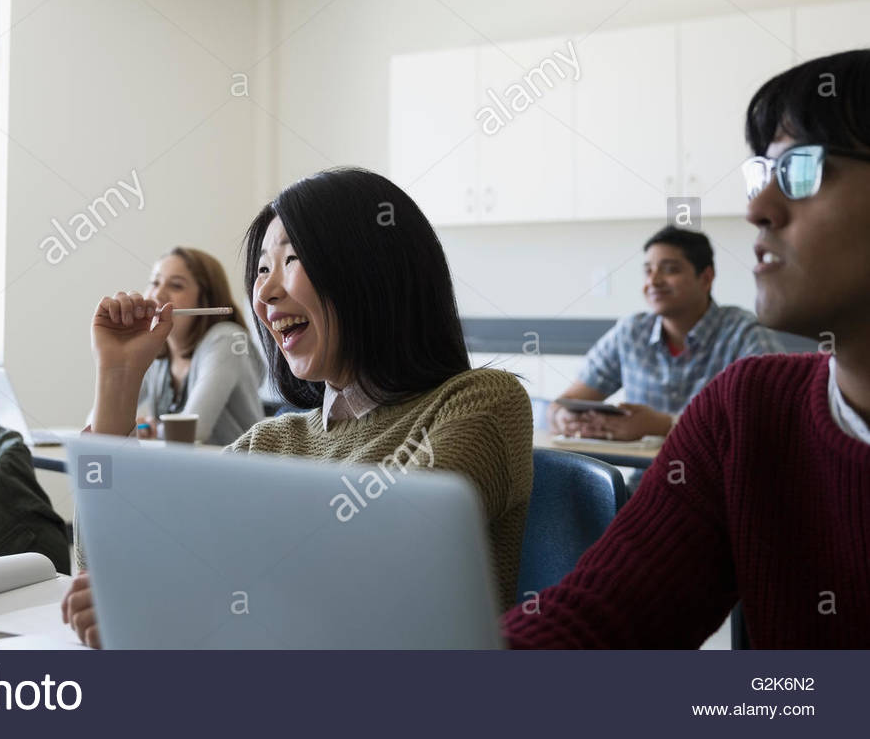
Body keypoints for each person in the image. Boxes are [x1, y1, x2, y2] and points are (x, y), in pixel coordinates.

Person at [63, 168, 534, 646]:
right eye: (262, 269)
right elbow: (104, 565)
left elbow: (376, 570)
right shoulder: (273, 441)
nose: (264, 293)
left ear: (372, 269)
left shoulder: (480, 403)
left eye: (292, 259)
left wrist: (179, 602)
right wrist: (118, 380)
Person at [504, 50, 870, 648]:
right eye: (762, 176)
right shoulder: (746, 411)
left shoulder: (743, 352)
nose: (757, 209)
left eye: (802, 169)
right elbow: (593, 619)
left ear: (705, 280)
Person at [550, 226, 782, 441]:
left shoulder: (745, 334)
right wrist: (563, 417)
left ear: (706, 278)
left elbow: (773, 421)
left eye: (670, 269)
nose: (654, 281)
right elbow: (565, 402)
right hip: (643, 481)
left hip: (718, 483)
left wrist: (664, 425)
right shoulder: (631, 332)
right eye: (648, 270)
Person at [129, 247, 263, 445]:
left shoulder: (227, 340)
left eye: (175, 285)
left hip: (239, 473)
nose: (158, 294)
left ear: (205, 299)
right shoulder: (158, 355)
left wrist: (150, 429)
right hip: (187, 472)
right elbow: (98, 423)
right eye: (155, 282)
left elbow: (192, 431)